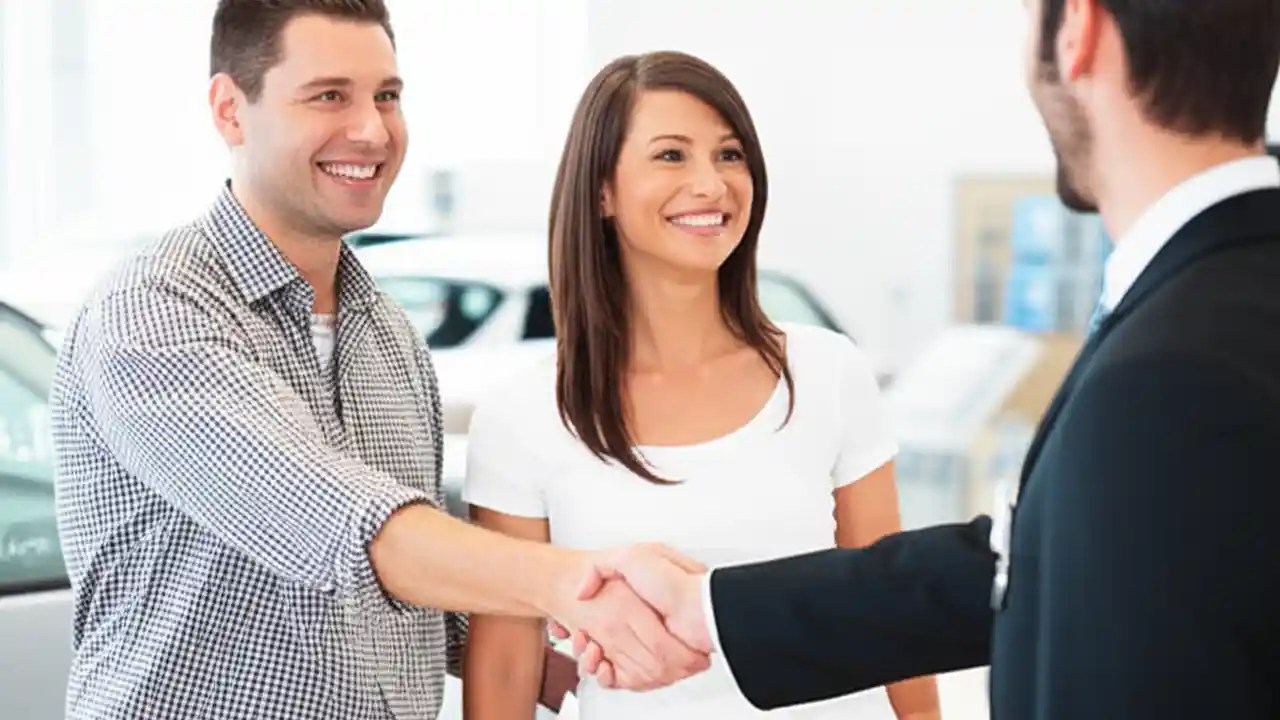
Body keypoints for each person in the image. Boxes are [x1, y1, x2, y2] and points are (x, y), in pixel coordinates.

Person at [564, 1, 1280, 718]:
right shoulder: (1222, 298)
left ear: (1077, 31)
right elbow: (1040, 560)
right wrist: (711, 608)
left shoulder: (1170, 371)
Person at [48, 2, 708, 718]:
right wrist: (578, 582)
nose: (372, 130)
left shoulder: (388, 334)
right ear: (230, 110)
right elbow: (340, 523)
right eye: (329, 95)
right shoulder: (153, 310)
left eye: (387, 96)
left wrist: (543, 664)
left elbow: (392, 587)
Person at [459, 51, 939, 719]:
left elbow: (892, 614)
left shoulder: (828, 372)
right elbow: (507, 661)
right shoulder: (524, 414)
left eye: (730, 155)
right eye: (671, 156)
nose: (712, 184)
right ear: (602, 190)